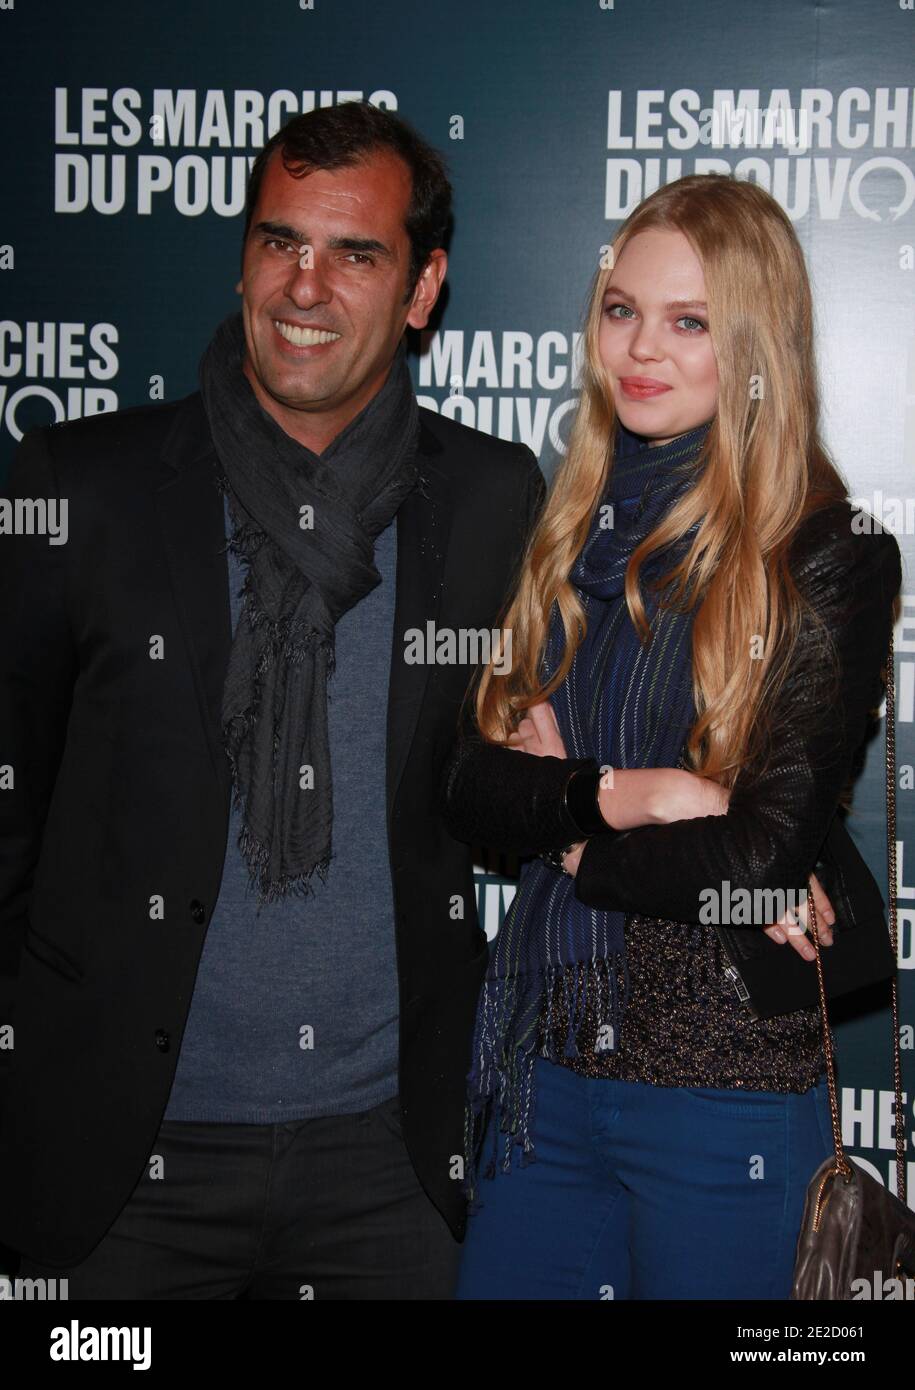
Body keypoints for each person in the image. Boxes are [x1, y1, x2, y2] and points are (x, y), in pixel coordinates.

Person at [0, 101, 545, 1298]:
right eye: (279, 240)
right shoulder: (82, 487)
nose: (306, 285)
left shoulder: (493, 497)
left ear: (422, 287)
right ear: (243, 254)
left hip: (390, 1171)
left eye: (356, 254)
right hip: (120, 1171)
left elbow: (514, 788)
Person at [439, 172, 902, 1301]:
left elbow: (758, 858)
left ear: (751, 345)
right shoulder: (564, 529)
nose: (641, 348)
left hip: (725, 1085)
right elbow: (468, 787)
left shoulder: (824, 553)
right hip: (546, 1073)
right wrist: (644, 794)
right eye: (621, 310)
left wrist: (577, 838)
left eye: (688, 321)